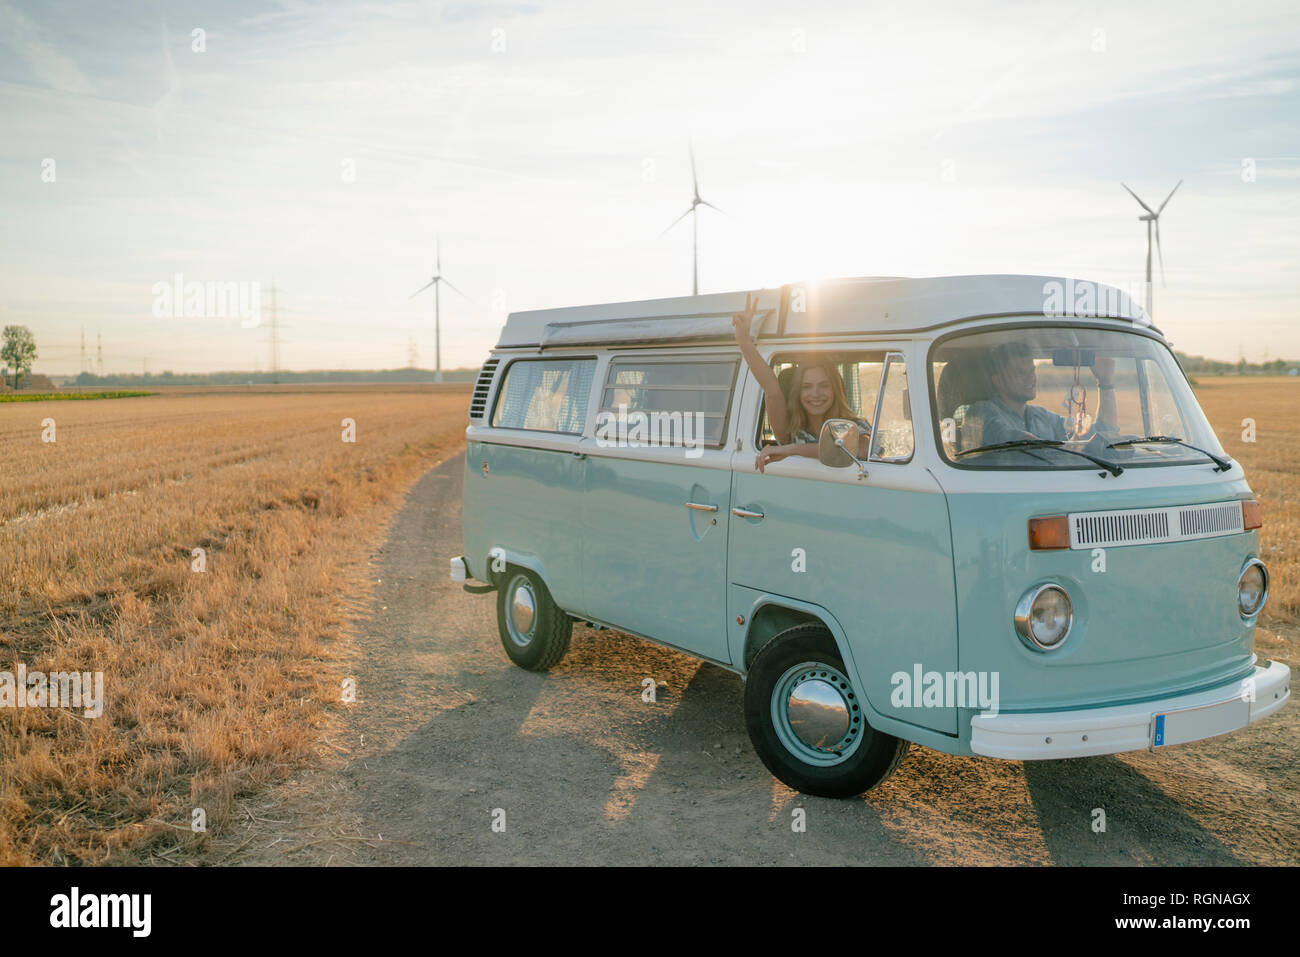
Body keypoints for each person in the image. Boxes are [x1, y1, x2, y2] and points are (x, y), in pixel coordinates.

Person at [731, 292, 871, 472]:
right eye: (807, 387)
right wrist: (744, 341)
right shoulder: (792, 432)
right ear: (798, 392)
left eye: (824, 385)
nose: (816, 394)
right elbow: (771, 389)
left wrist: (791, 449)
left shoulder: (855, 426)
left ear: (836, 389)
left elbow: (859, 450)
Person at [969, 342, 1116, 446]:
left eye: (1032, 370)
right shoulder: (981, 412)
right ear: (998, 380)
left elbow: (1104, 434)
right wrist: (1073, 447)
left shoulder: (1042, 416)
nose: (1030, 377)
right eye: (1019, 372)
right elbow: (1021, 443)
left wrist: (1105, 382)